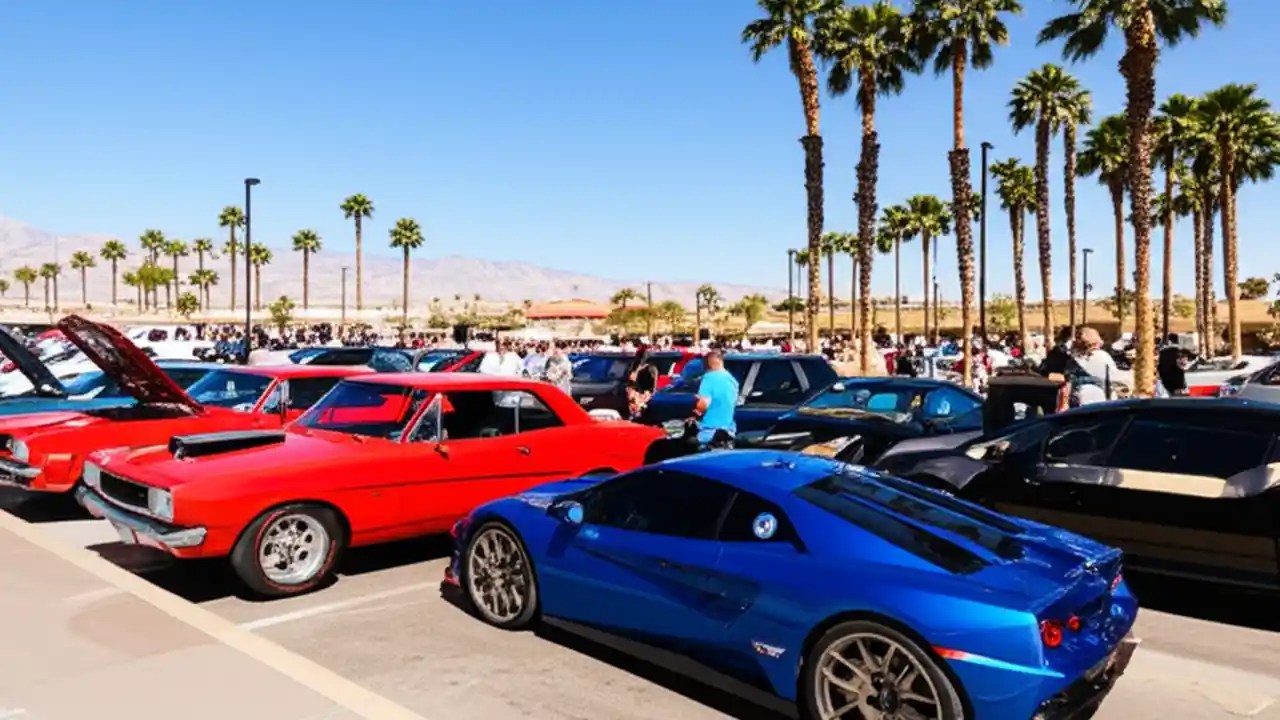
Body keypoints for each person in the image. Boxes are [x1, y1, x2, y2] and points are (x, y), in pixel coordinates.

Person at [691, 351, 739, 447]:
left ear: (707, 365)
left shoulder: (709, 378)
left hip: (709, 433)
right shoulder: (732, 380)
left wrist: (696, 409)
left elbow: (704, 403)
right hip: (729, 430)